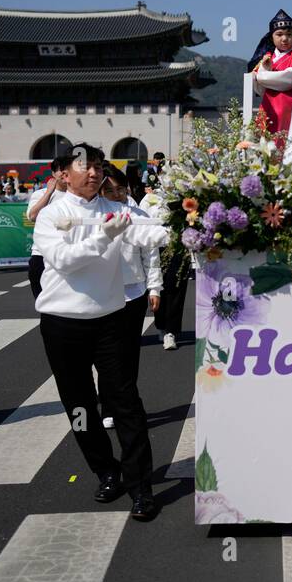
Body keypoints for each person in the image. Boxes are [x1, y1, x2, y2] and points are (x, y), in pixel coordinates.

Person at [31, 143, 171, 521]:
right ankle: (106, 470)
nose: (93, 173)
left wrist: (186, 228)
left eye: (97, 166)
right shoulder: (51, 215)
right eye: (83, 167)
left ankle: (141, 486)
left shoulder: (118, 210)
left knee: (125, 402)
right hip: (62, 324)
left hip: (110, 321)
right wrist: (106, 236)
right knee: (79, 406)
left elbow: (149, 234)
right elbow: (64, 260)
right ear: (63, 173)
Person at [101, 165, 163, 428]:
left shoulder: (138, 214)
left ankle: (127, 404)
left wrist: (155, 287)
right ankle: (108, 406)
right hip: (102, 294)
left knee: (128, 354)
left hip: (134, 293)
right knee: (106, 356)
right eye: (110, 190)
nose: (117, 194)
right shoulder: (95, 215)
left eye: (121, 189)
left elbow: (151, 254)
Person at [250, 9, 292, 136]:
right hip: (267, 111)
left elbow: (291, 79)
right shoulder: (266, 59)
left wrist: (262, 75)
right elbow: (259, 89)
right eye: (279, 34)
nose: (284, 39)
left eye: (289, 34)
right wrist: (265, 68)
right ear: (271, 37)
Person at [26, 155, 71, 298]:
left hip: (66, 253)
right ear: (53, 173)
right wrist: (48, 192)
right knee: (42, 300)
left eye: (67, 170)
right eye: (60, 170)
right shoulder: (40, 194)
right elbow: (33, 216)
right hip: (41, 253)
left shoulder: (76, 196)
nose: (64, 174)